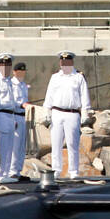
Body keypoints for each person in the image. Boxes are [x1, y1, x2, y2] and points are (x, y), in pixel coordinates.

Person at [43, 50, 91, 178]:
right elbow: (49, 96)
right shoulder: (55, 77)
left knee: (72, 144)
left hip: (72, 113)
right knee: (56, 143)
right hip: (57, 112)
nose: (65, 64)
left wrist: (85, 114)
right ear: (60, 63)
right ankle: (56, 170)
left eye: (67, 61)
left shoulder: (78, 77)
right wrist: (46, 112)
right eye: (63, 61)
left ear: (72, 62)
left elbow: (84, 97)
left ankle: (73, 171)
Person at [0, 53, 28, 183]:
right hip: (1, 114)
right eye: (3, 65)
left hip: (11, 115)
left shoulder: (10, 82)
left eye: (8, 65)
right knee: (2, 148)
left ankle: (5, 173)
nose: (5, 67)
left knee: (10, 148)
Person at [11, 61, 33, 180]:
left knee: (21, 146)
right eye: (19, 71)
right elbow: (12, 101)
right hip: (15, 114)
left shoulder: (23, 85)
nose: (21, 73)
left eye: (23, 71)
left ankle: (18, 170)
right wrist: (22, 104)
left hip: (23, 116)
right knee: (14, 145)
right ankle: (12, 170)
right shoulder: (11, 84)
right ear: (14, 72)